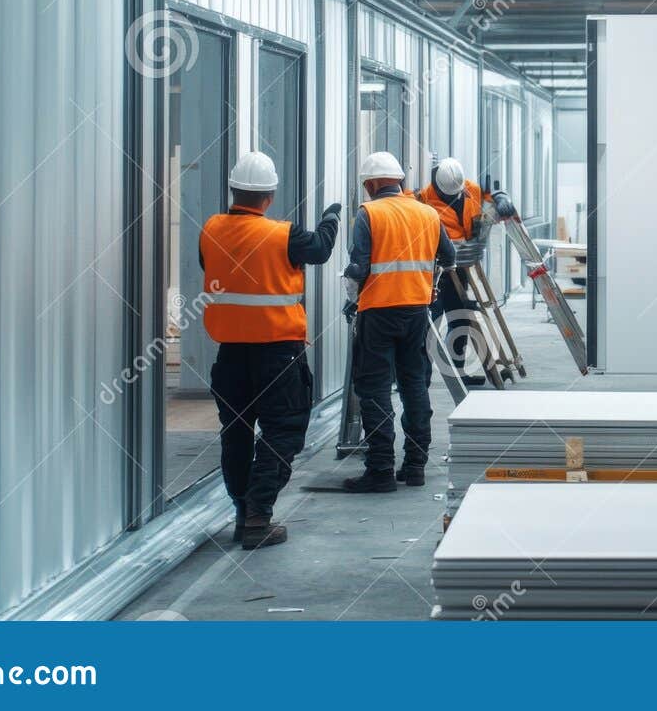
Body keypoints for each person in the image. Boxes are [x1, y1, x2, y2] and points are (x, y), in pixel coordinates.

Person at [200, 151, 340, 550]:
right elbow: (320, 249)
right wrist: (331, 220)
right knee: (283, 431)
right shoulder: (284, 234)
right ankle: (260, 516)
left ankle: (244, 512)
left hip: (231, 357)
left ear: (233, 190)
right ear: (270, 195)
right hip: (279, 355)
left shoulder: (210, 229)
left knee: (236, 434)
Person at [340, 151, 455, 492]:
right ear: (399, 181)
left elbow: (357, 268)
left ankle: (380, 470)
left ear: (373, 183)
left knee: (374, 390)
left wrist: (351, 300)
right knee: (414, 385)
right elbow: (448, 258)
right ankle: (416, 465)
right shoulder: (427, 213)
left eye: (366, 184)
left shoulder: (369, 214)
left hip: (377, 313)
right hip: (416, 314)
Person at [417, 157, 517, 387]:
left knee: (459, 316)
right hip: (435, 272)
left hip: (460, 269)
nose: (453, 196)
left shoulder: (470, 189)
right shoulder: (423, 198)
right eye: (448, 195)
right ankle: (422, 378)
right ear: (438, 186)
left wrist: (502, 198)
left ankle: (458, 372)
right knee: (431, 319)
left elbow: (492, 198)